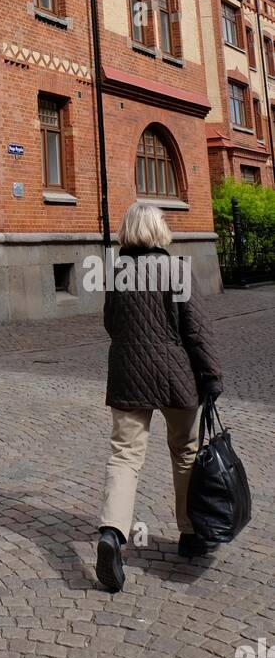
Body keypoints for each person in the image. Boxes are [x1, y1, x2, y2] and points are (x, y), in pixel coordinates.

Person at [96, 200, 223, 592]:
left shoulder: (117, 272)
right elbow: (196, 331)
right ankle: (189, 534)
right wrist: (212, 375)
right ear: (159, 231)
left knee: (125, 456)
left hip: (128, 374)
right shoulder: (177, 269)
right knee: (184, 451)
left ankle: (112, 535)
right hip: (175, 376)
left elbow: (110, 324)